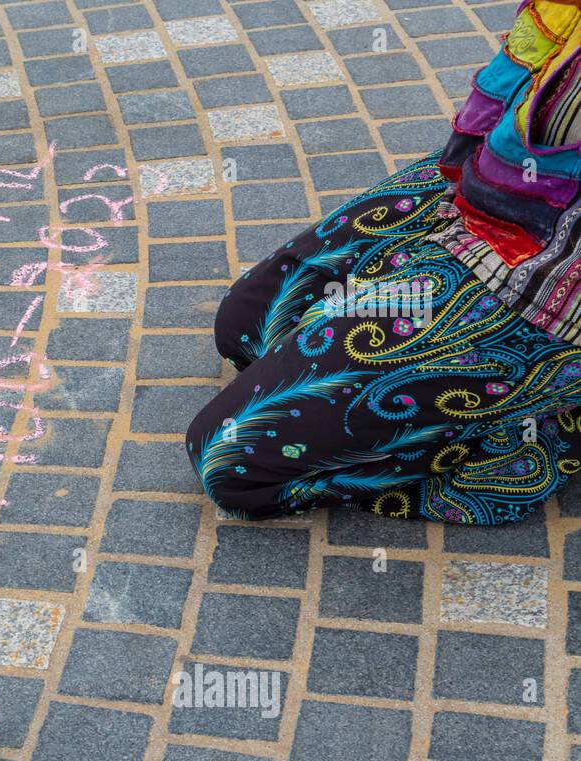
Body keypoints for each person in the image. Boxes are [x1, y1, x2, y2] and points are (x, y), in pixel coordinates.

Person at [185, 0, 581, 524]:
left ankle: (536, 434)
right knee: (248, 325)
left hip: (545, 290)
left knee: (231, 462)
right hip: (483, 196)